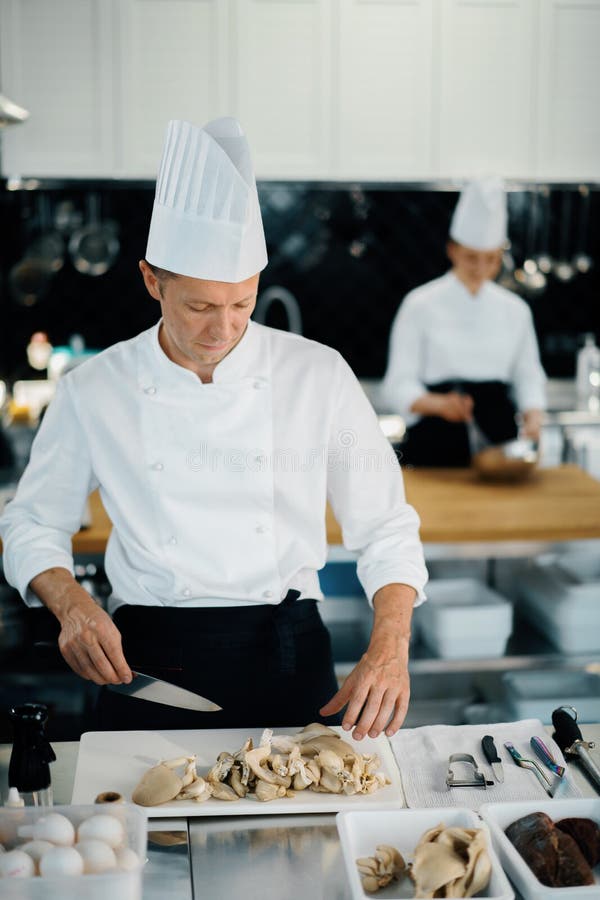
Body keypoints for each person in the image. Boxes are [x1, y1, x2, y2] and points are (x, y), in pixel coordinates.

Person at [0, 117, 427, 740]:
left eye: (241, 304)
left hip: (289, 652)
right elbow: (31, 521)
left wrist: (391, 641)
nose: (223, 329)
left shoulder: (318, 373)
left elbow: (386, 526)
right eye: (199, 306)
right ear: (152, 281)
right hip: (145, 658)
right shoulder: (96, 388)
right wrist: (72, 605)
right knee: (141, 836)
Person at [380, 177, 546, 467]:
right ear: (452, 249)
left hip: (499, 445)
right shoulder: (419, 305)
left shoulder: (516, 310)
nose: (481, 269)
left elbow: (528, 376)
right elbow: (396, 385)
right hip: (434, 443)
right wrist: (438, 404)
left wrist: (533, 415)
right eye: (471, 258)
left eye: (491, 259)